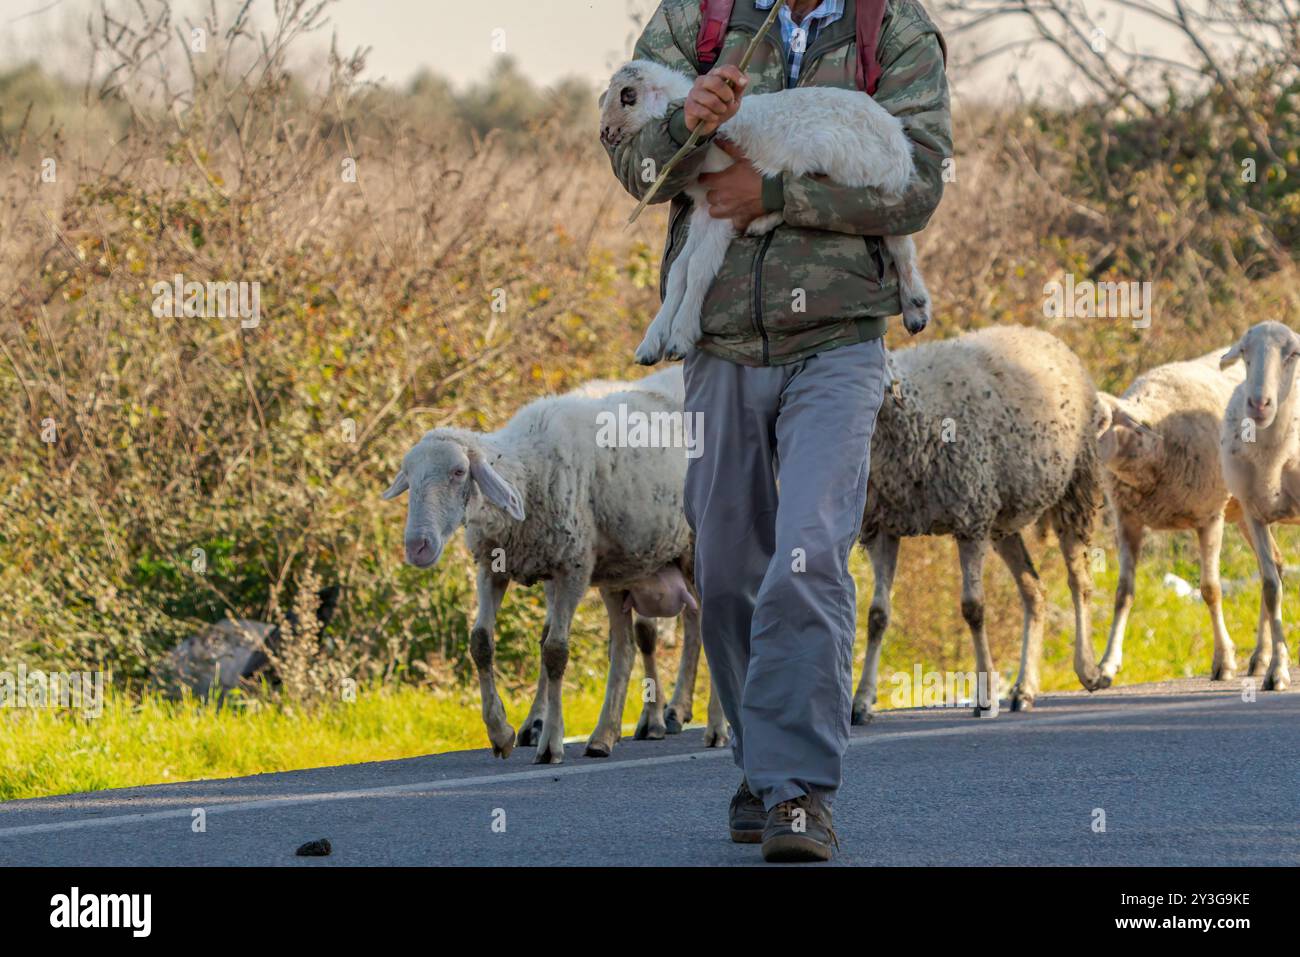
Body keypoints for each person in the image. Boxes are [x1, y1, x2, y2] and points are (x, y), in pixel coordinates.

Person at [604, 0, 950, 862]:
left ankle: (796, 792)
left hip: (838, 343)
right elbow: (634, 163)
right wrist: (687, 120)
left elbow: (919, 184)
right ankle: (762, 769)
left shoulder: (891, 27)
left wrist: (776, 193)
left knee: (807, 557)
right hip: (719, 344)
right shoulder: (699, 19)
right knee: (724, 574)